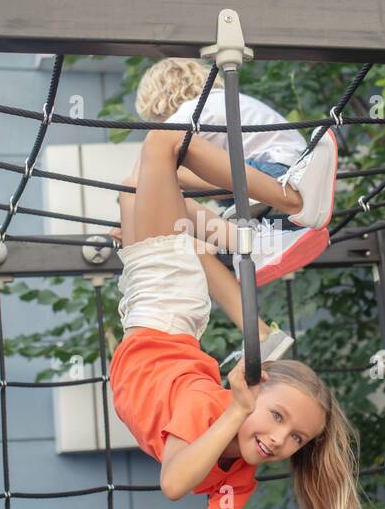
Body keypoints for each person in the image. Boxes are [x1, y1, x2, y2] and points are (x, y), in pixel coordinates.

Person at [106, 123, 385, 509]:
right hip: (164, 305)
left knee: (135, 187)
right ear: (252, 391)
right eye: (279, 419)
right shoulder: (207, 406)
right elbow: (173, 483)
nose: (282, 440)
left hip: (165, 319)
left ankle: (238, 244)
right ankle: (293, 200)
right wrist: (236, 409)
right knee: (162, 145)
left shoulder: (236, 473)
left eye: (296, 438)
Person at [116, 57, 339, 366]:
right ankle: (261, 333)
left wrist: (128, 224)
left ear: (159, 100)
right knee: (187, 237)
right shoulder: (215, 111)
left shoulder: (194, 111)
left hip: (279, 175)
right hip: (255, 192)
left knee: (145, 178)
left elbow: (141, 179)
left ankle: (295, 201)